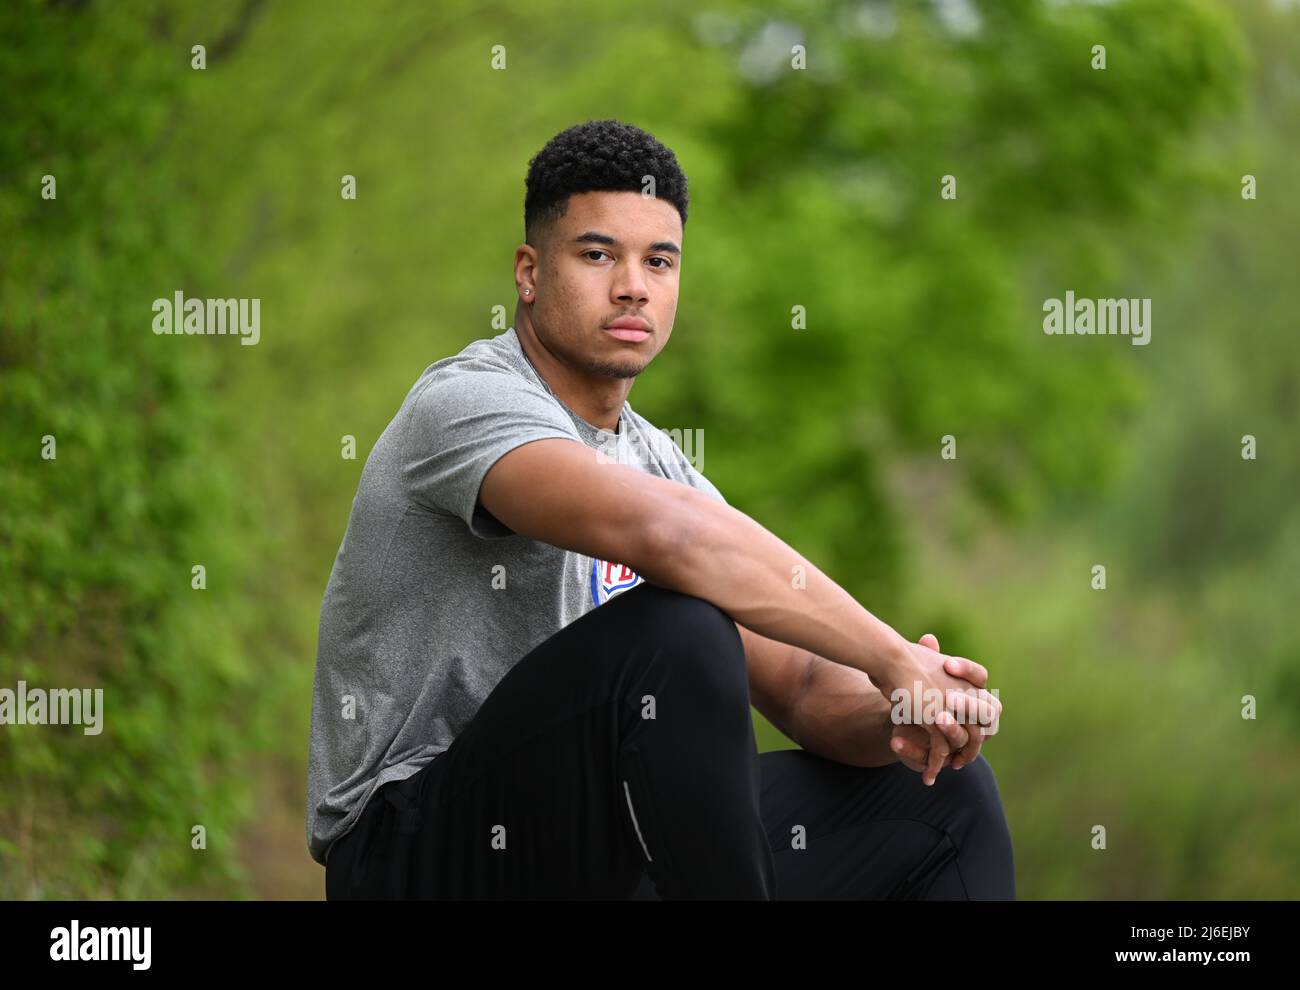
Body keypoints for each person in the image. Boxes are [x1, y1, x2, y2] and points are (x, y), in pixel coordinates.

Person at [307, 119, 1013, 900]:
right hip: (418, 856)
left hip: (595, 845)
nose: (633, 285)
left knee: (946, 798)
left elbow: (807, 687)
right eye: (599, 254)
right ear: (530, 273)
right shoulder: (466, 403)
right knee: (678, 632)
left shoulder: (658, 463)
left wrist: (905, 709)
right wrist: (891, 653)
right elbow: (669, 536)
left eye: (660, 260)